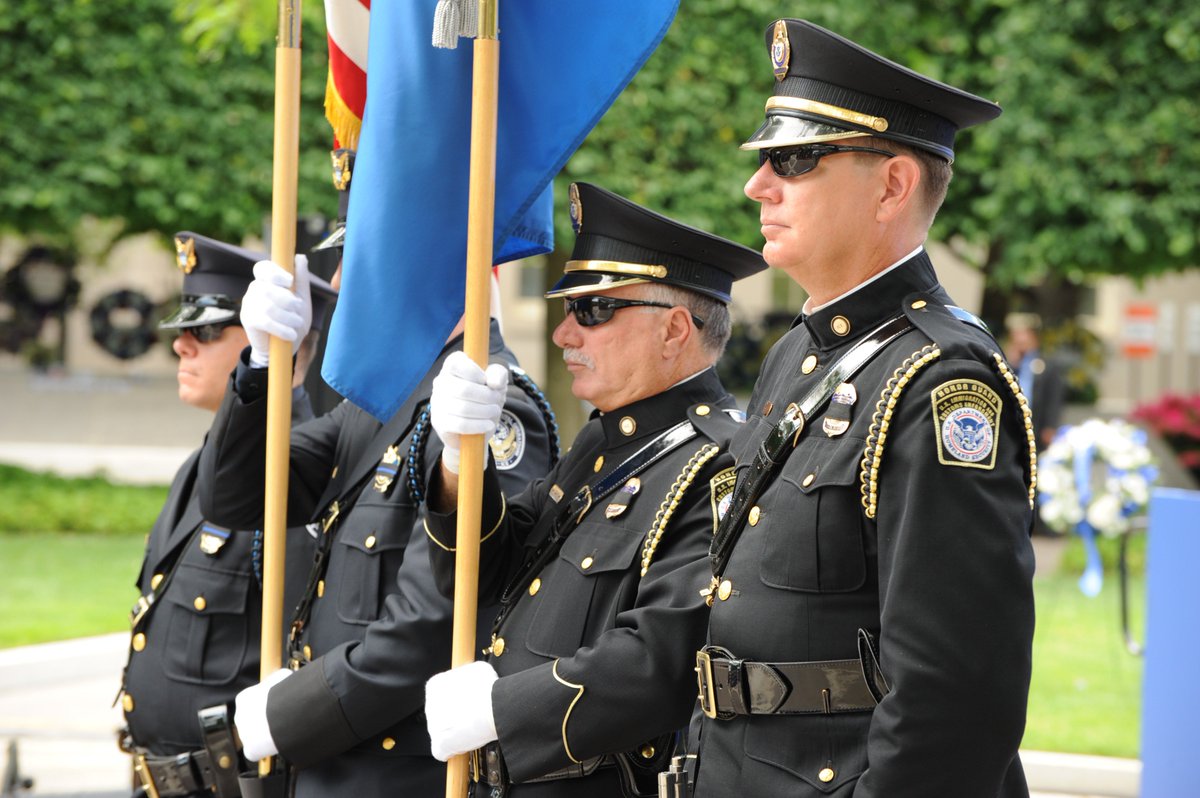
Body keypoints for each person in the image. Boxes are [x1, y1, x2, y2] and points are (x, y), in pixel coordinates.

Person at [689, 19, 1037, 797]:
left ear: (892, 185)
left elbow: (955, 700)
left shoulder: (940, 381)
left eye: (795, 159)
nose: (758, 185)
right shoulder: (798, 353)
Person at [422, 182, 767, 796]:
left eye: (593, 310)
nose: (563, 335)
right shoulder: (601, 447)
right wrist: (458, 464)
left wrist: (502, 709)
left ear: (674, 330)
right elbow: (485, 569)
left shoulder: (721, 463)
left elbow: (659, 661)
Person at [193, 239, 556, 794]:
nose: (336, 284)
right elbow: (237, 494)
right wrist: (264, 367)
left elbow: (439, 619)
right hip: (328, 762)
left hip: (394, 774)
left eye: (362, 258)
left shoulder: (486, 404)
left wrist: (289, 713)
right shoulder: (380, 403)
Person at [118, 232, 336, 798]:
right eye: (183, 330)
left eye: (208, 330)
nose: (181, 346)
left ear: (282, 337)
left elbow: (303, 653)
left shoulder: (297, 475)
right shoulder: (203, 463)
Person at [1005, 312, 1066, 450]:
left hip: (1037, 423)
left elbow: (1054, 397)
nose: (1020, 340)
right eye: (1016, 336)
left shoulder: (1047, 365)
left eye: (1024, 335)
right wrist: (1011, 362)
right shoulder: (1007, 364)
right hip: (1012, 423)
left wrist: (1050, 426)